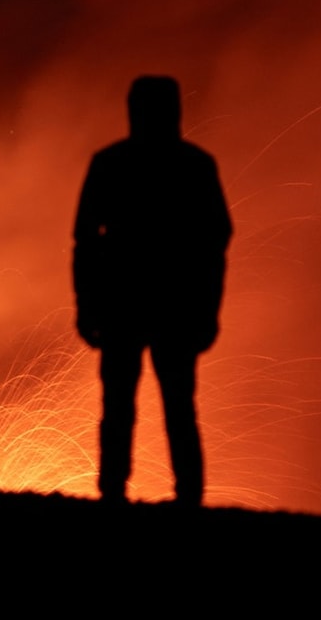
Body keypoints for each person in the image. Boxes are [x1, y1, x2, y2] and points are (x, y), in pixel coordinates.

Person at [72, 75, 232, 505]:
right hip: (169, 306)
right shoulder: (195, 166)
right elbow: (214, 244)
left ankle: (115, 494)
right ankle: (185, 496)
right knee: (173, 406)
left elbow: (85, 241)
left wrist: (87, 306)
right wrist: (207, 309)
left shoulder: (111, 164)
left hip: (128, 303)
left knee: (127, 405)